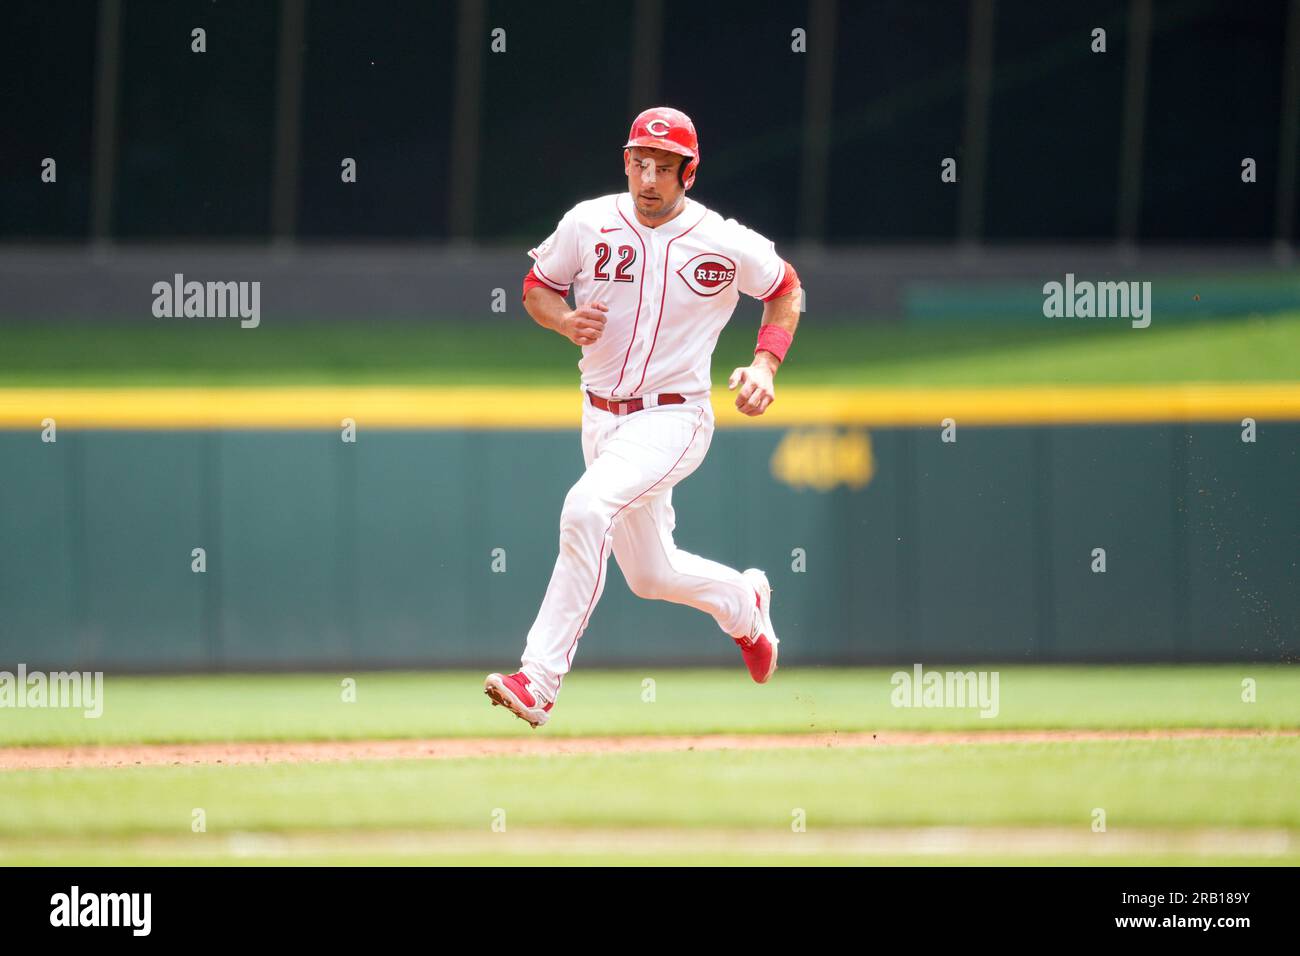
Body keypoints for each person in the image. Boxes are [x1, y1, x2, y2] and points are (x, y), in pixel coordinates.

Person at [484, 106, 802, 727]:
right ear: (626, 163)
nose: (648, 178)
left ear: (689, 172)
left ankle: (538, 679)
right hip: (600, 416)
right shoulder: (589, 221)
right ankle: (744, 601)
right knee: (651, 575)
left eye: (663, 167)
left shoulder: (722, 238)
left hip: (674, 416)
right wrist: (562, 320)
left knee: (584, 509)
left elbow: (786, 287)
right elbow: (536, 285)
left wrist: (765, 364)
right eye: (639, 163)